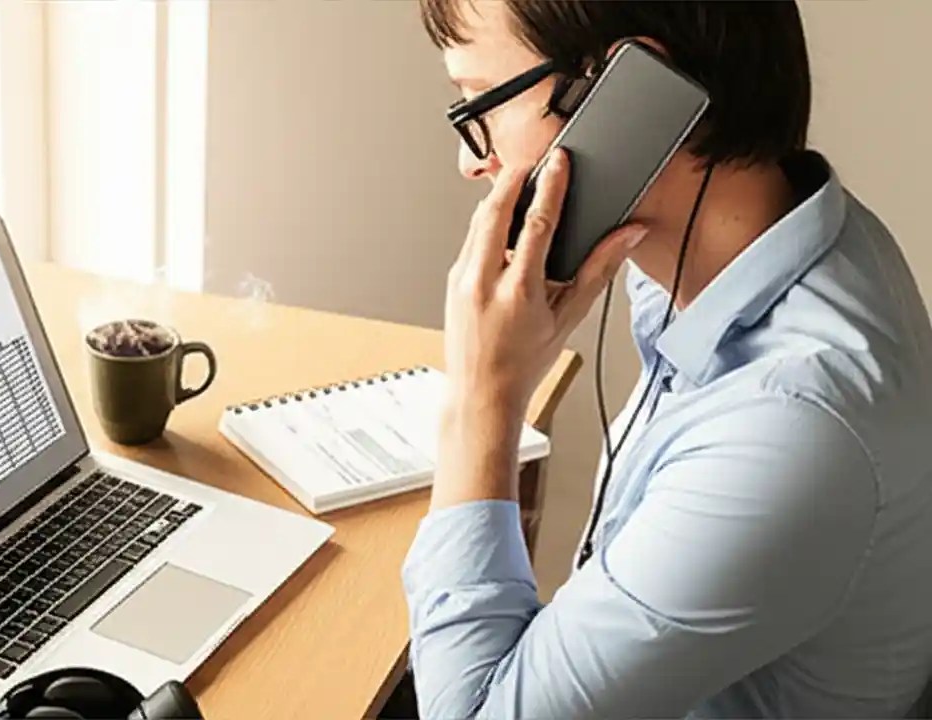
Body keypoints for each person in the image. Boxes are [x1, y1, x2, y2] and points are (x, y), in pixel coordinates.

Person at [392, 0, 932, 717]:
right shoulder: (793, 234)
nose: (472, 160)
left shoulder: (791, 429)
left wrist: (482, 399)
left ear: (631, 87)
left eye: (477, 104)